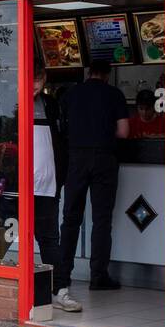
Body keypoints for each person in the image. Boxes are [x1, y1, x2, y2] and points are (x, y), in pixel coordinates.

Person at [0, 61, 76, 311]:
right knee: (6, 234)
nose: (34, 85)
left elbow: (64, 142)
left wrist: (61, 179)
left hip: (47, 188)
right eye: (29, 78)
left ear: (44, 78)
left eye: (37, 79)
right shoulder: (7, 104)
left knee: (49, 241)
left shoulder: (53, 105)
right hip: (14, 188)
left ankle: (59, 290)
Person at [59, 58, 129, 291]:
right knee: (102, 220)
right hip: (105, 159)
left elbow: (63, 128)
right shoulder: (115, 94)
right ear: (108, 73)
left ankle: (63, 275)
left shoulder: (71, 94)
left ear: (88, 71)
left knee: (70, 219)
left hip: (76, 158)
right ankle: (98, 276)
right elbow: (123, 131)